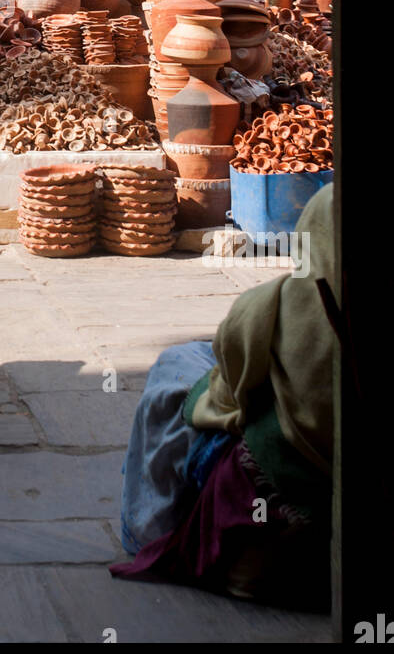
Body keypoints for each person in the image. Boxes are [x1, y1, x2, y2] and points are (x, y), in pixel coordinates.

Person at [111, 182, 335, 610]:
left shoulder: (278, 306)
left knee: (176, 373)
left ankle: (145, 530)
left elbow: (228, 391)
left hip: (300, 477)